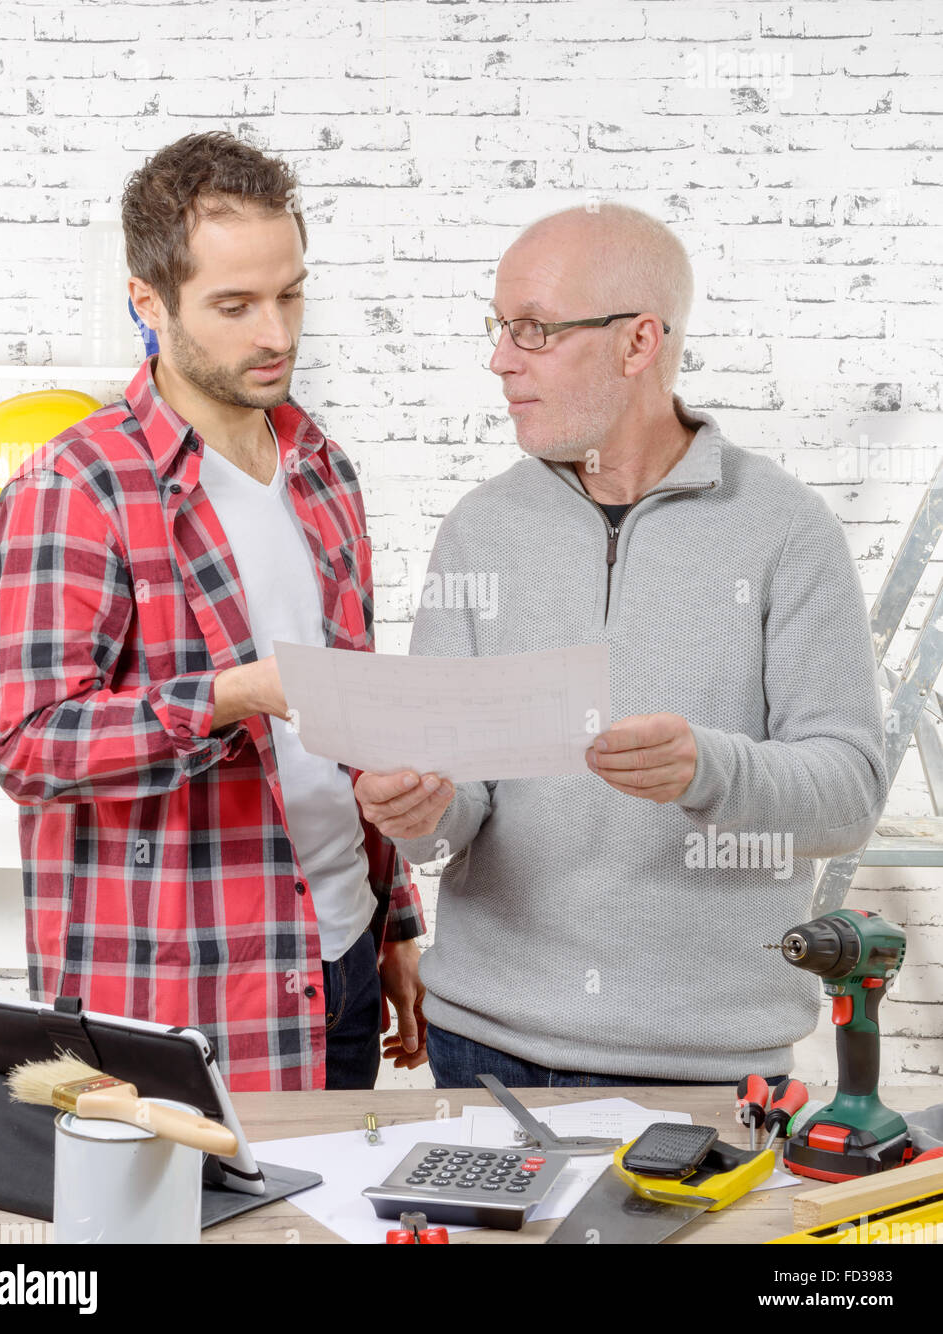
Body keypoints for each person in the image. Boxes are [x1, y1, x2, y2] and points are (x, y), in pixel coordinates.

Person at [355, 202, 888, 1090]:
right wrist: (417, 808)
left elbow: (850, 795)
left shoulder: (786, 531)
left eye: (532, 330)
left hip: (709, 1068)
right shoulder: (480, 532)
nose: (499, 359)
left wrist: (707, 772)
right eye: (499, 328)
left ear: (638, 343)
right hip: (480, 1048)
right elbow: (457, 798)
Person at [0, 131, 425, 1092]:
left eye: (290, 293)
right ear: (147, 302)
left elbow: (348, 719)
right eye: (234, 306)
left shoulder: (322, 467)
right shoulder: (79, 482)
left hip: (338, 960)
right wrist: (231, 696)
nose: (277, 334)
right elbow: (29, 747)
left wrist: (392, 921)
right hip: (179, 994)